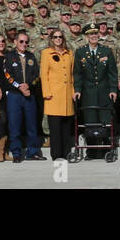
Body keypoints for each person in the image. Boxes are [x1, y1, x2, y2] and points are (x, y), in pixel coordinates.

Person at [72, 23, 118, 159]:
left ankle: (105, 148)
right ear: (87, 36)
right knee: (90, 120)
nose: (94, 36)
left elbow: (112, 73)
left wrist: (113, 89)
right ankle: (91, 150)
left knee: (104, 120)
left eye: (95, 33)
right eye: (91, 34)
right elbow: (77, 74)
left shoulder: (106, 51)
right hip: (88, 93)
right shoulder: (80, 52)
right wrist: (77, 90)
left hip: (104, 91)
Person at [4, 32, 43, 162]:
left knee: (32, 124)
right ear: (15, 42)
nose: (24, 44)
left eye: (26, 42)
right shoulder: (9, 56)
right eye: (21, 41)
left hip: (29, 94)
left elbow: (37, 75)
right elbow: (7, 75)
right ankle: (16, 152)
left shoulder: (31, 56)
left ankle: (33, 151)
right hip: (14, 95)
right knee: (15, 125)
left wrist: (29, 85)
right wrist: (19, 86)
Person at [41, 29, 75, 161]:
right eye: (55, 37)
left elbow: (72, 75)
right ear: (51, 39)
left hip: (66, 95)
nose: (58, 39)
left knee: (66, 128)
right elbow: (44, 74)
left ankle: (66, 152)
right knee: (55, 128)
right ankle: (56, 154)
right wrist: (47, 92)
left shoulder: (69, 53)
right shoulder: (46, 53)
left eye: (60, 37)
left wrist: (73, 92)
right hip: (53, 96)